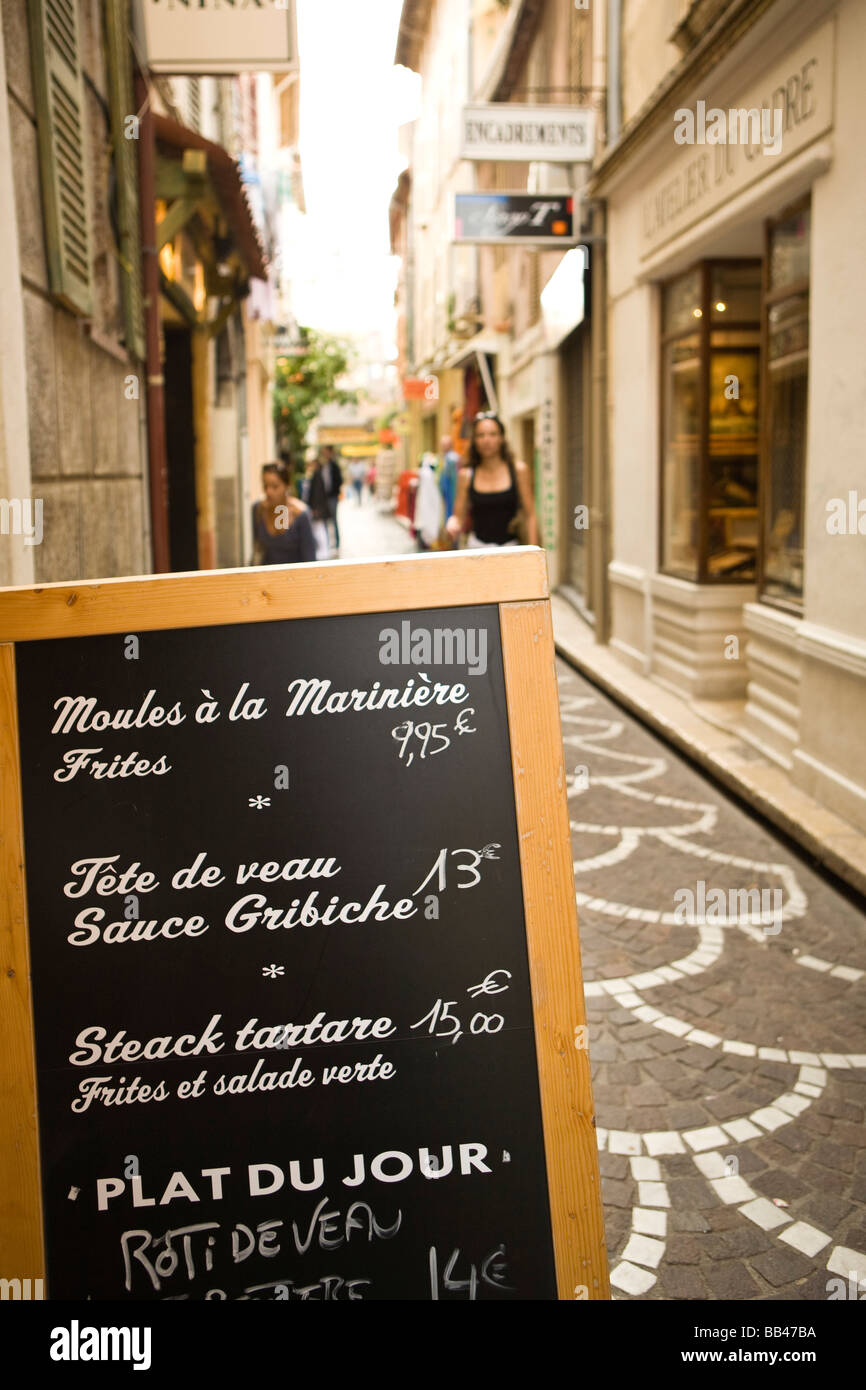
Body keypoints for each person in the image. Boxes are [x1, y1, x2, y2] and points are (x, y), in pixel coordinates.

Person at [445, 412, 539, 548]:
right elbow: (458, 517)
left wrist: (534, 553)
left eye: (493, 434)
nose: (486, 440)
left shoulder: (518, 470)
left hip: (511, 549)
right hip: (477, 550)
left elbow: (530, 515)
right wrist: (452, 524)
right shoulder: (466, 475)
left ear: (501, 438)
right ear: (474, 440)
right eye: (480, 435)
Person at [251, 462, 316, 565]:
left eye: (275, 486)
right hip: (266, 577)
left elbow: (310, 559)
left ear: (287, 486)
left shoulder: (301, 514)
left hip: (294, 577)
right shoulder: (258, 509)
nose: (268, 491)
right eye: (265, 486)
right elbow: (256, 551)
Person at [320, 445, 343, 552]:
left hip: (332, 496)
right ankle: (327, 542)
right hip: (324, 497)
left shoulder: (334, 465)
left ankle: (337, 542)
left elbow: (339, 480)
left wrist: (334, 491)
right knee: (325, 520)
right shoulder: (324, 466)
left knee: (333, 520)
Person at [439, 433, 460, 519]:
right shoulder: (445, 457)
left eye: (445, 444)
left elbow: (455, 478)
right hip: (447, 489)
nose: (443, 447)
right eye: (442, 444)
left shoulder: (453, 458)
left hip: (452, 490)